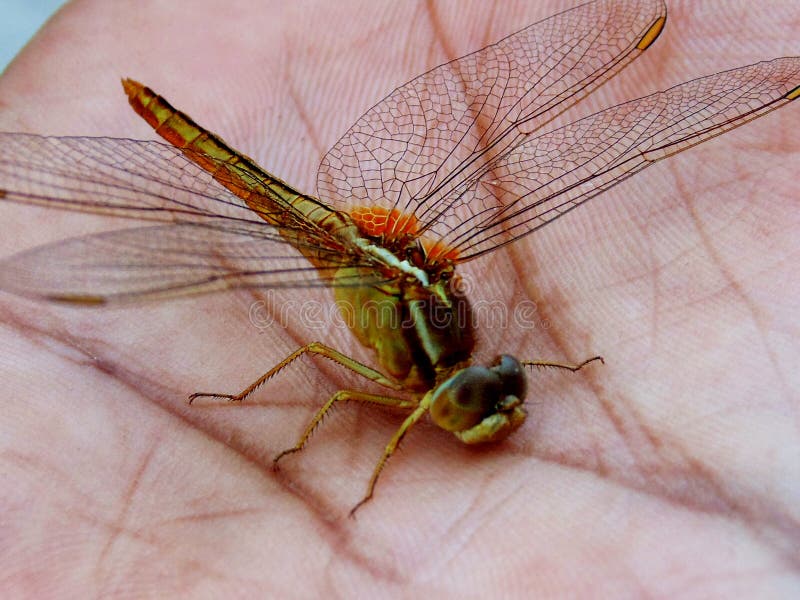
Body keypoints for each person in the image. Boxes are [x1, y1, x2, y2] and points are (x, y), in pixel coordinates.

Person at [0, 0, 797, 596]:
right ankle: (153, 118)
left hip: (378, 258)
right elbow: (321, 358)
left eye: (494, 393)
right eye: (490, 398)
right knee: (315, 348)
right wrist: (369, 469)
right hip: (346, 246)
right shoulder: (418, 377)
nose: (496, 410)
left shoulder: (450, 351)